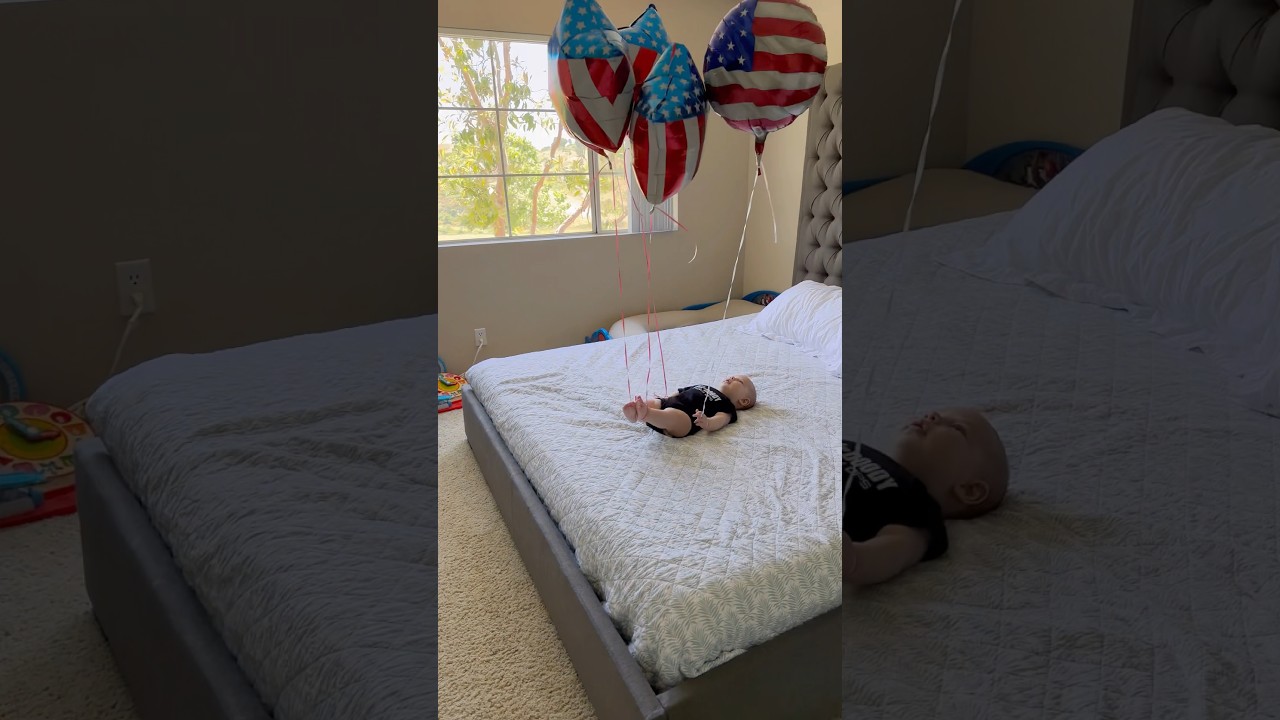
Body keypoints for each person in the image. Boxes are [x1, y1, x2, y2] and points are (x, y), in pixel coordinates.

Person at [843, 407, 1009, 586]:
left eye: (957, 428)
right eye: (939, 414)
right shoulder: (871, 456)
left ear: (969, 490)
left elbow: (894, 551)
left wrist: (852, 558)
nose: (933, 415)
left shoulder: (918, 511)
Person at [622, 375, 756, 438]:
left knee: (673, 416)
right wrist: (666, 398)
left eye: (738, 380)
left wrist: (708, 422)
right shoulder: (705, 386)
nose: (731, 377)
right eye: (732, 376)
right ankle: (637, 412)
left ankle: (646, 414)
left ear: (744, 401)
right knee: (656, 403)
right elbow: (681, 392)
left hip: (687, 419)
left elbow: (721, 420)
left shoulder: (727, 406)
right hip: (671, 402)